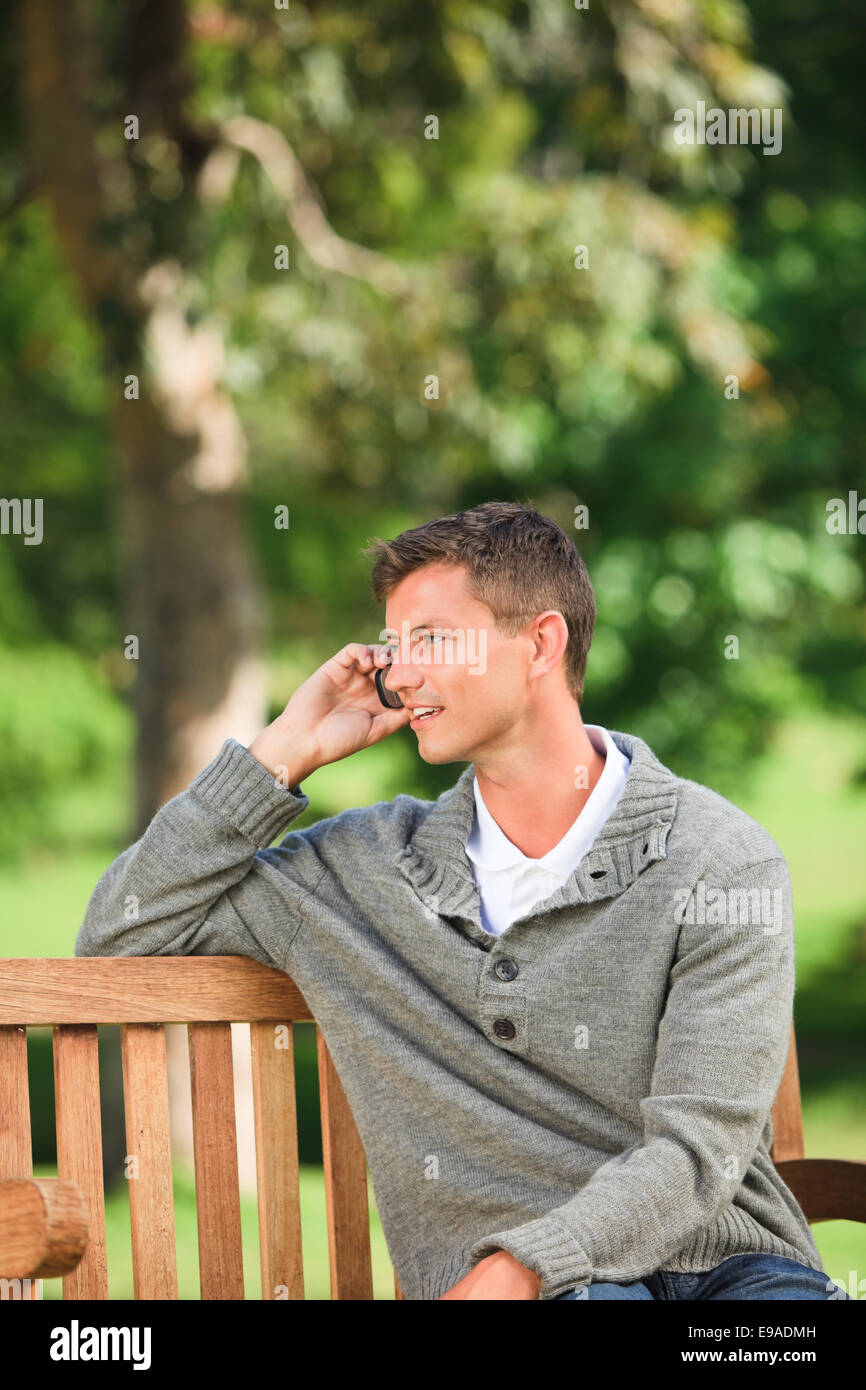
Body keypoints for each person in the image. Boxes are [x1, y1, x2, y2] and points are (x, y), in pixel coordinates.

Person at [76, 500, 844, 1300]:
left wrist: (523, 1265)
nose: (399, 674)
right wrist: (282, 752)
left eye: (432, 640)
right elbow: (118, 932)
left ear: (541, 644)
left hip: (733, 1276)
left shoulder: (719, 861)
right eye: (394, 645)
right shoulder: (359, 873)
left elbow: (699, 1152)